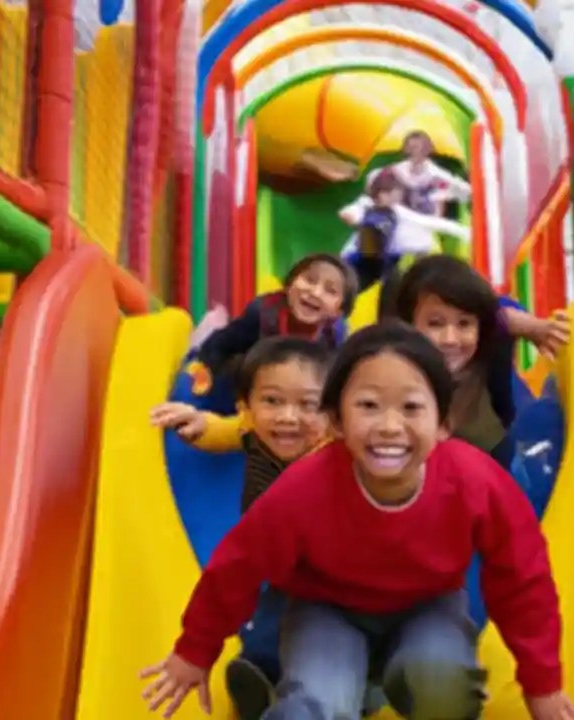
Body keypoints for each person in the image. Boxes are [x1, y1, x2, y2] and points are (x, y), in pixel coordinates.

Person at [140, 323, 574, 720]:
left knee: (443, 690)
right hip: (327, 609)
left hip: (427, 606)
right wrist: (194, 653)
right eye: (368, 406)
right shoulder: (305, 489)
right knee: (316, 703)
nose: (390, 426)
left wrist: (542, 685)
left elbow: (523, 578)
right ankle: (327, 684)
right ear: (336, 421)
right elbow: (238, 566)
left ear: (443, 423)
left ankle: (386, 682)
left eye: (411, 408)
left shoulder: (475, 482)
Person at [150, 337, 332, 720]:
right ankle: (260, 679)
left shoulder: (333, 456)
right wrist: (200, 424)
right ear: (246, 408)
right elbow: (228, 433)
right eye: (272, 401)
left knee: (319, 644)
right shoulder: (255, 434)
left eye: (307, 405)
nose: (288, 417)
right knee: (261, 634)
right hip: (281, 573)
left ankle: (352, 688)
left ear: (333, 413)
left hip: (336, 584)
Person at [393, 255, 570, 466]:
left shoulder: (484, 346)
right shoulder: (396, 365)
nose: (450, 339)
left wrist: (535, 328)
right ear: (408, 326)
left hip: (491, 454)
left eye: (464, 324)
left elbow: (502, 315)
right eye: (435, 324)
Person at [179, 253, 356, 405]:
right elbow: (223, 343)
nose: (315, 292)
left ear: (338, 311)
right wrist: (206, 367)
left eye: (330, 291)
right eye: (309, 280)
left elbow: (334, 380)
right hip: (246, 382)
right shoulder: (264, 312)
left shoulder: (334, 335)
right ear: (289, 284)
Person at [339, 169, 470, 317]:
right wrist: (358, 219)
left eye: (394, 194)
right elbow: (348, 213)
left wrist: (464, 232)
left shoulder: (399, 213)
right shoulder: (366, 206)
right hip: (356, 261)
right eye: (385, 193)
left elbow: (432, 223)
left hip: (377, 268)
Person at [378, 129, 472, 218]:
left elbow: (464, 192)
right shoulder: (395, 171)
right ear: (405, 149)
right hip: (399, 223)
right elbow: (376, 188)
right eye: (410, 148)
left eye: (418, 148)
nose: (413, 152)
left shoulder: (437, 176)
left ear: (427, 150)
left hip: (425, 226)